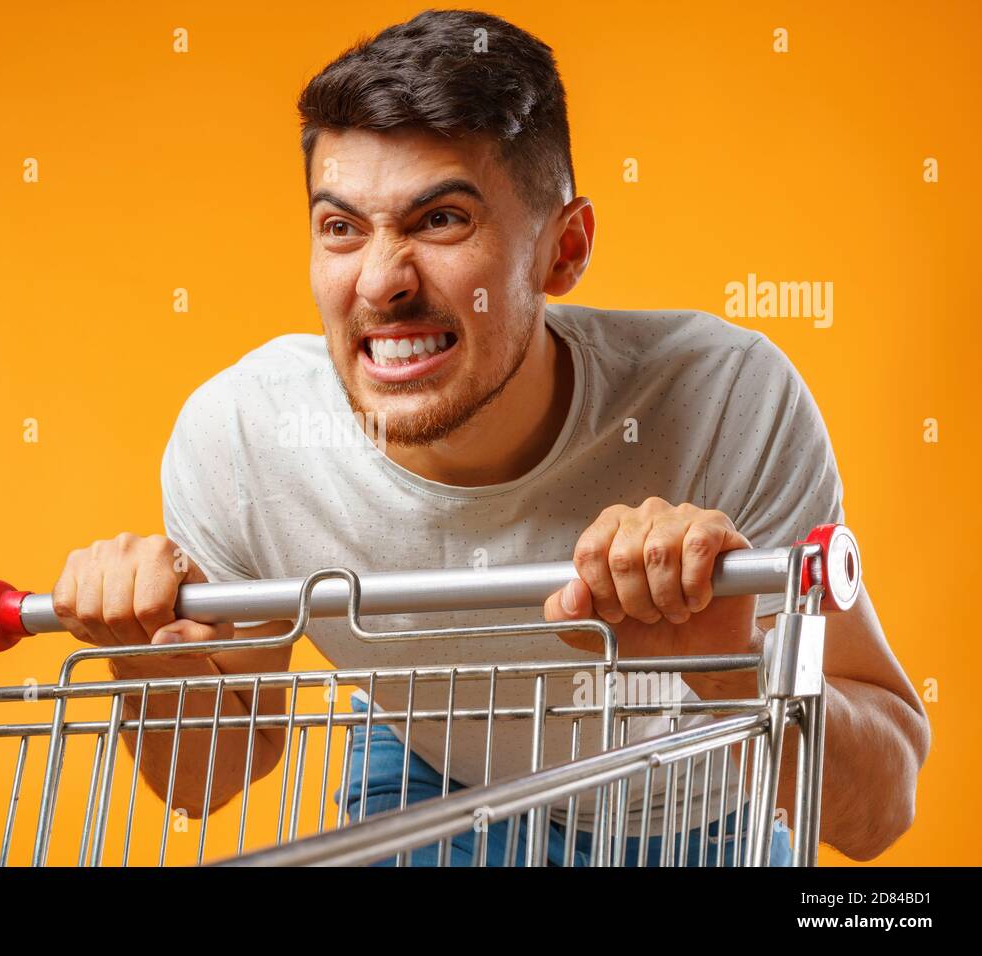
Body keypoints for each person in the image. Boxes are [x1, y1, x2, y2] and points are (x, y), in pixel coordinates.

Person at [51, 9, 928, 864]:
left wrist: (725, 664)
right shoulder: (241, 437)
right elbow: (210, 780)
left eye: (440, 220)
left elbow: (879, 811)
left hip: (693, 812)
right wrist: (141, 657)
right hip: (429, 784)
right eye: (341, 228)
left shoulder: (728, 400)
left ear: (565, 249)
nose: (382, 282)